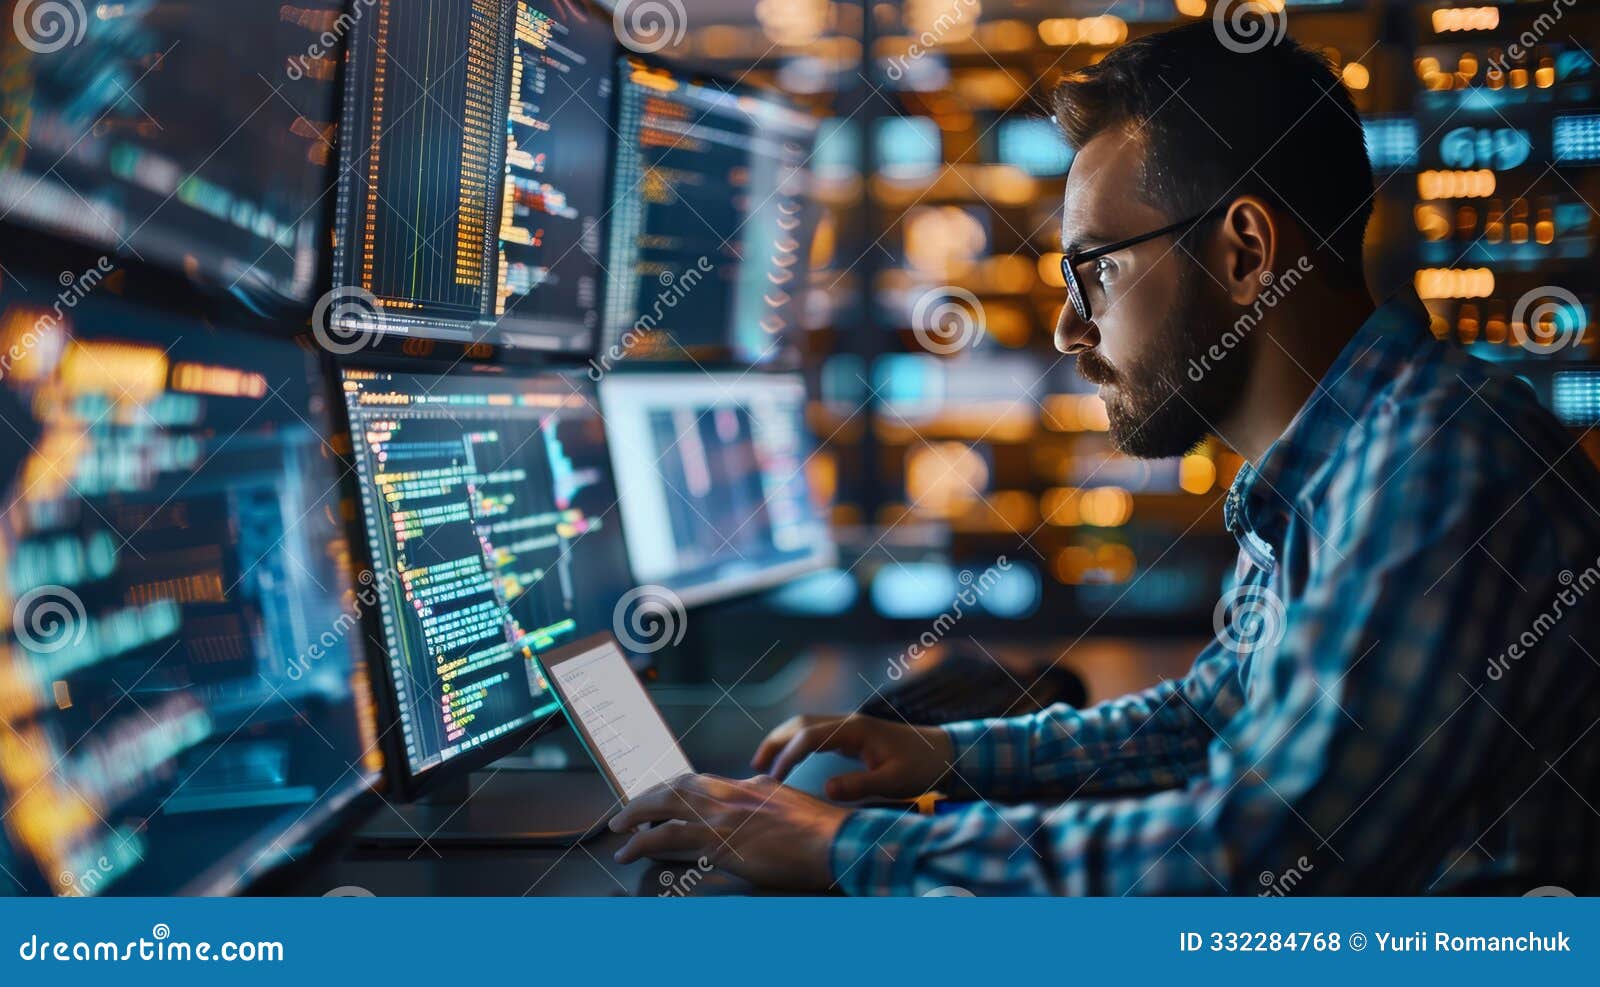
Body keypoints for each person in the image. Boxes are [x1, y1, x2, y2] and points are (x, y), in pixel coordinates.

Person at [608, 22, 1600, 895]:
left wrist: (848, 847)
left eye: (1097, 270)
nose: (1069, 332)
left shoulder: (1431, 470)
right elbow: (1211, 724)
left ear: (1246, 251)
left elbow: (1256, 861)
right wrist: (946, 754)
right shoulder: (1334, 465)